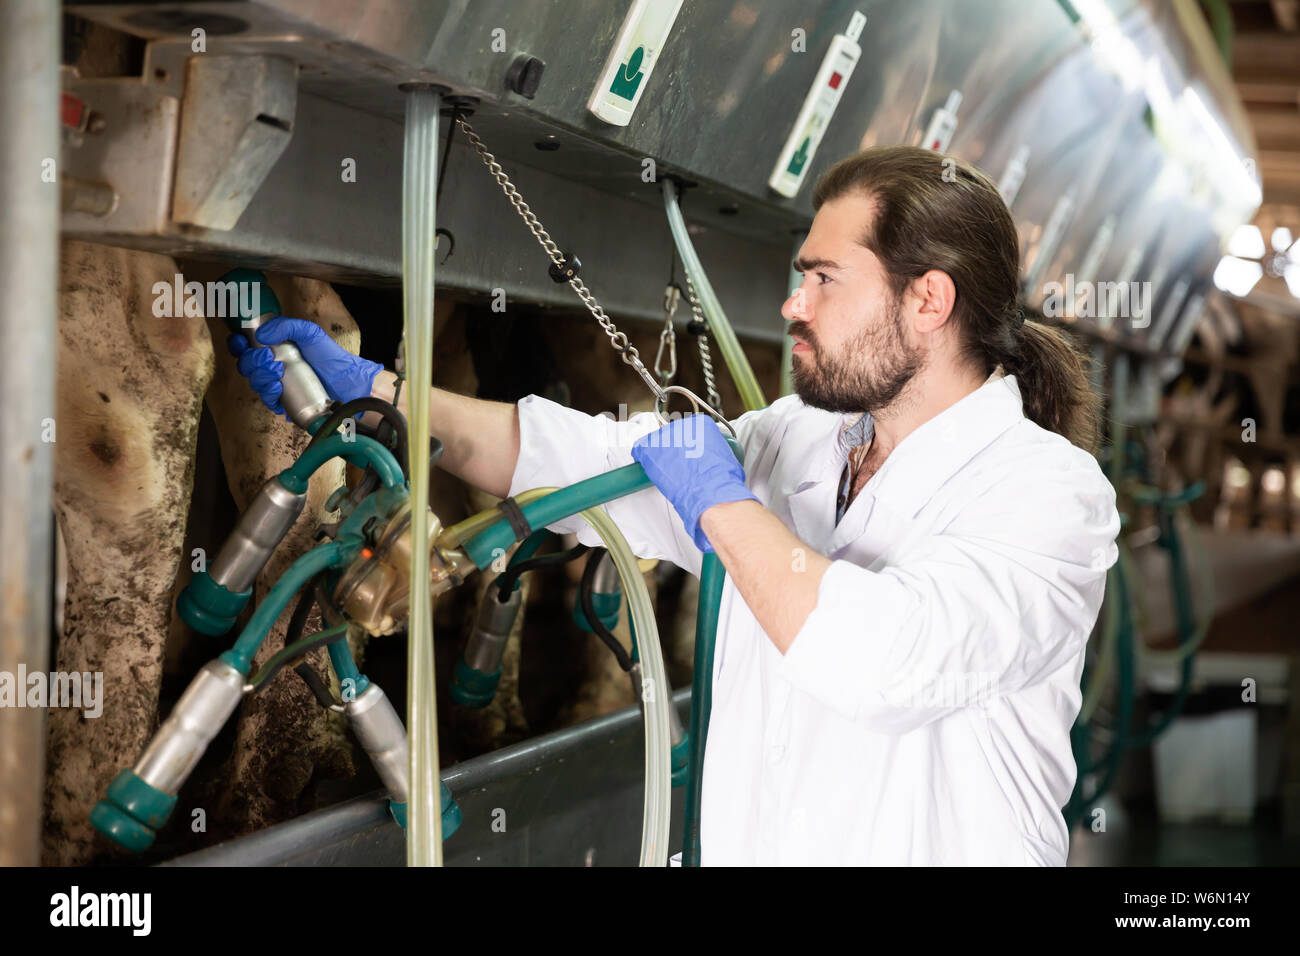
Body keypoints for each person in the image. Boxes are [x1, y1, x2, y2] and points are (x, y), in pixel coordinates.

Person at [230, 145, 1120, 866]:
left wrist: (722, 505)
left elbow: (887, 665)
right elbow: (578, 463)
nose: (791, 304)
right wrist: (381, 395)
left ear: (928, 300)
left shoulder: (1047, 493)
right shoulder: (801, 441)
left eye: (823, 280)